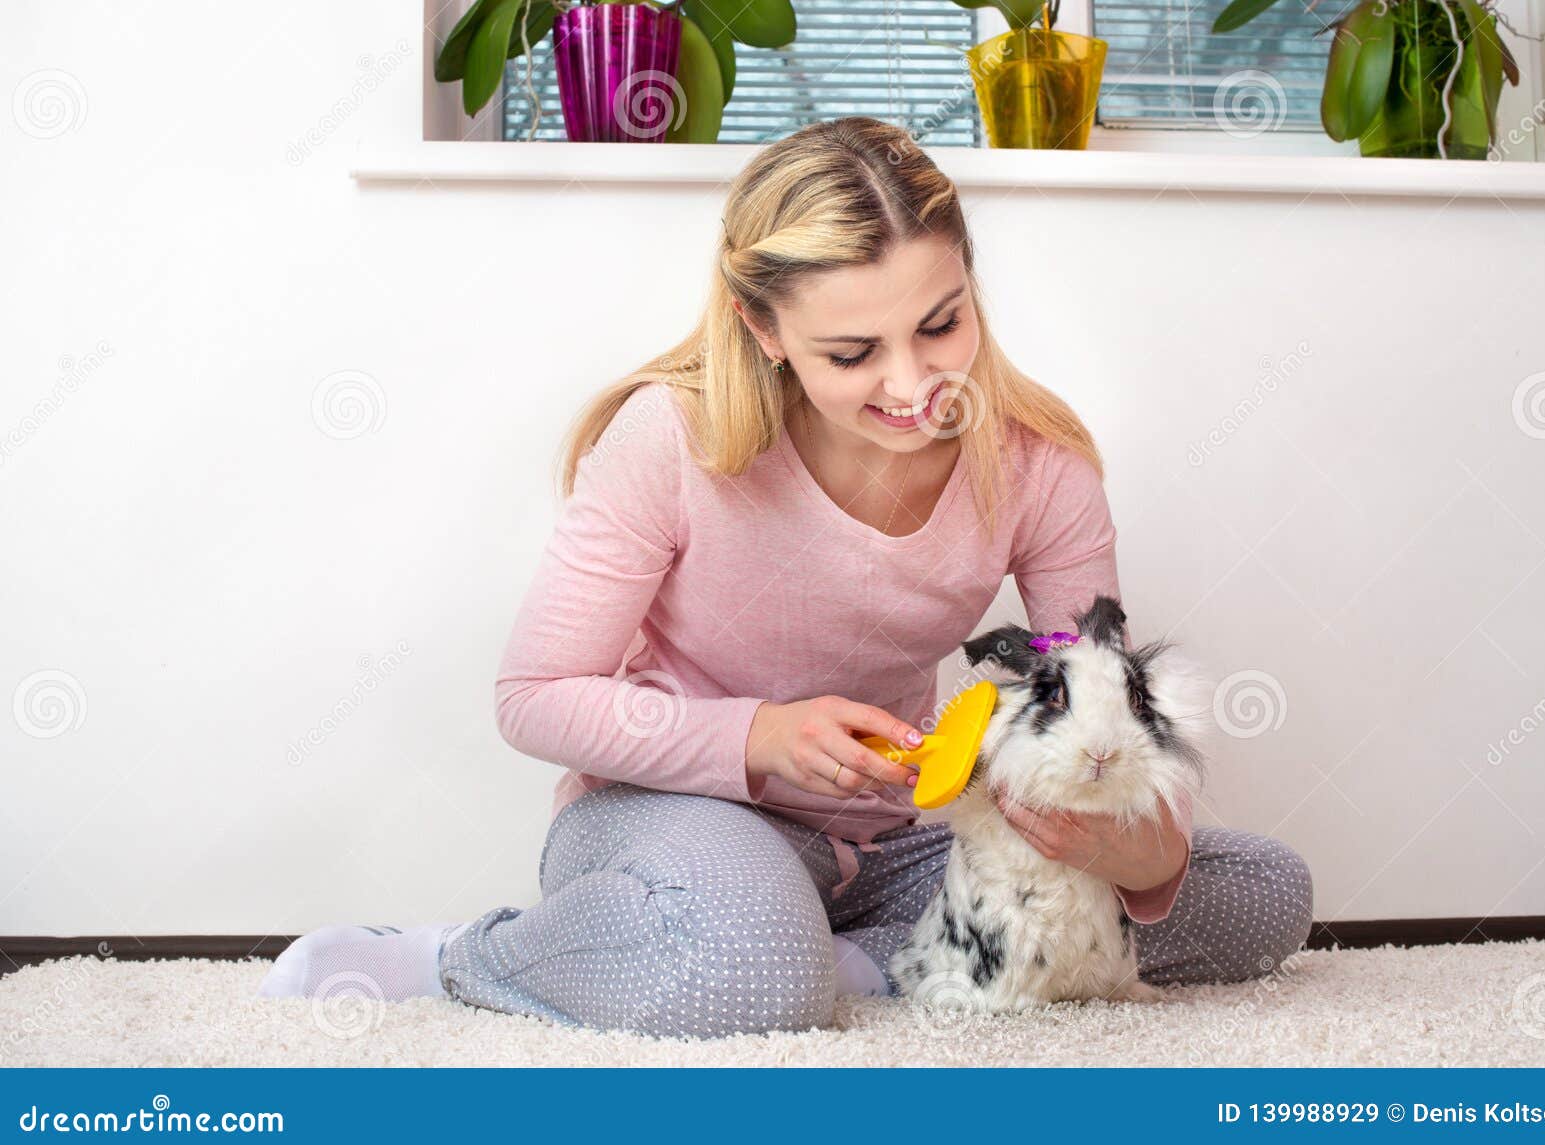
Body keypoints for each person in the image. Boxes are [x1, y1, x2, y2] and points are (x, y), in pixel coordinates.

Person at [259, 116, 1313, 1039]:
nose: (912, 385)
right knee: (744, 970)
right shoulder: (669, 439)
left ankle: (854, 956)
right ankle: (465, 958)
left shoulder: (1041, 465)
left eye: (940, 324)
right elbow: (531, 699)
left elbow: (1100, 700)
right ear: (764, 330)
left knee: (1262, 894)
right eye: (853, 352)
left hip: (895, 843)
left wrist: (1135, 856)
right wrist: (759, 737)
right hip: (667, 815)